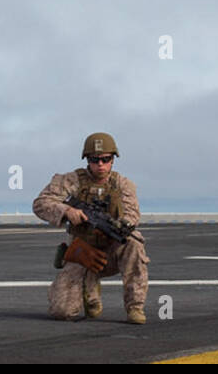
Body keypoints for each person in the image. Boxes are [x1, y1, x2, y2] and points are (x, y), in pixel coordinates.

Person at [32, 132, 149, 324]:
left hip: (111, 252)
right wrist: (66, 211)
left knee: (134, 242)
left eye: (105, 159)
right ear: (87, 159)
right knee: (62, 311)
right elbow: (40, 204)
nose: (100, 164)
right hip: (82, 253)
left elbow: (132, 215)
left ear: (113, 159)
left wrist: (119, 225)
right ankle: (90, 291)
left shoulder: (123, 185)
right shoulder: (71, 181)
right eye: (95, 160)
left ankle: (135, 307)